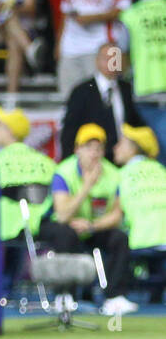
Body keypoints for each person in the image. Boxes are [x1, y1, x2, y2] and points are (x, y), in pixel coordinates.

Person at [39, 122, 135, 317]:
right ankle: (65, 295)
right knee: (65, 234)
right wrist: (87, 186)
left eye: (98, 148)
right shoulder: (63, 172)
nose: (94, 153)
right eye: (88, 147)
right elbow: (63, 214)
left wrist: (91, 226)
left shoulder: (113, 174)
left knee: (119, 238)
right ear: (77, 150)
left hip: (91, 226)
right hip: (63, 224)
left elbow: (116, 215)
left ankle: (114, 297)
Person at [0, 107, 56, 286]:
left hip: (0, 230)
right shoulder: (47, 163)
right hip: (39, 228)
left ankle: (0, 287)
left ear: (10, 131)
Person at [59, 42, 145, 159]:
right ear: (97, 61)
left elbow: (134, 123)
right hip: (92, 159)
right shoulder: (81, 91)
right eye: (107, 58)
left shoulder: (126, 89)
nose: (111, 63)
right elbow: (69, 131)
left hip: (122, 160)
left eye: (115, 59)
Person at [121, 0, 166, 154]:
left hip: (146, 89)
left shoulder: (131, 15)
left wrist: (119, 80)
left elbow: (121, 52)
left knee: (154, 149)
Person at [112, 125, 166, 251]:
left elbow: (115, 217)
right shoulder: (162, 171)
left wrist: (91, 226)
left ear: (133, 149)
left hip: (142, 244)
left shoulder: (121, 175)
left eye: (121, 143)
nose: (115, 148)